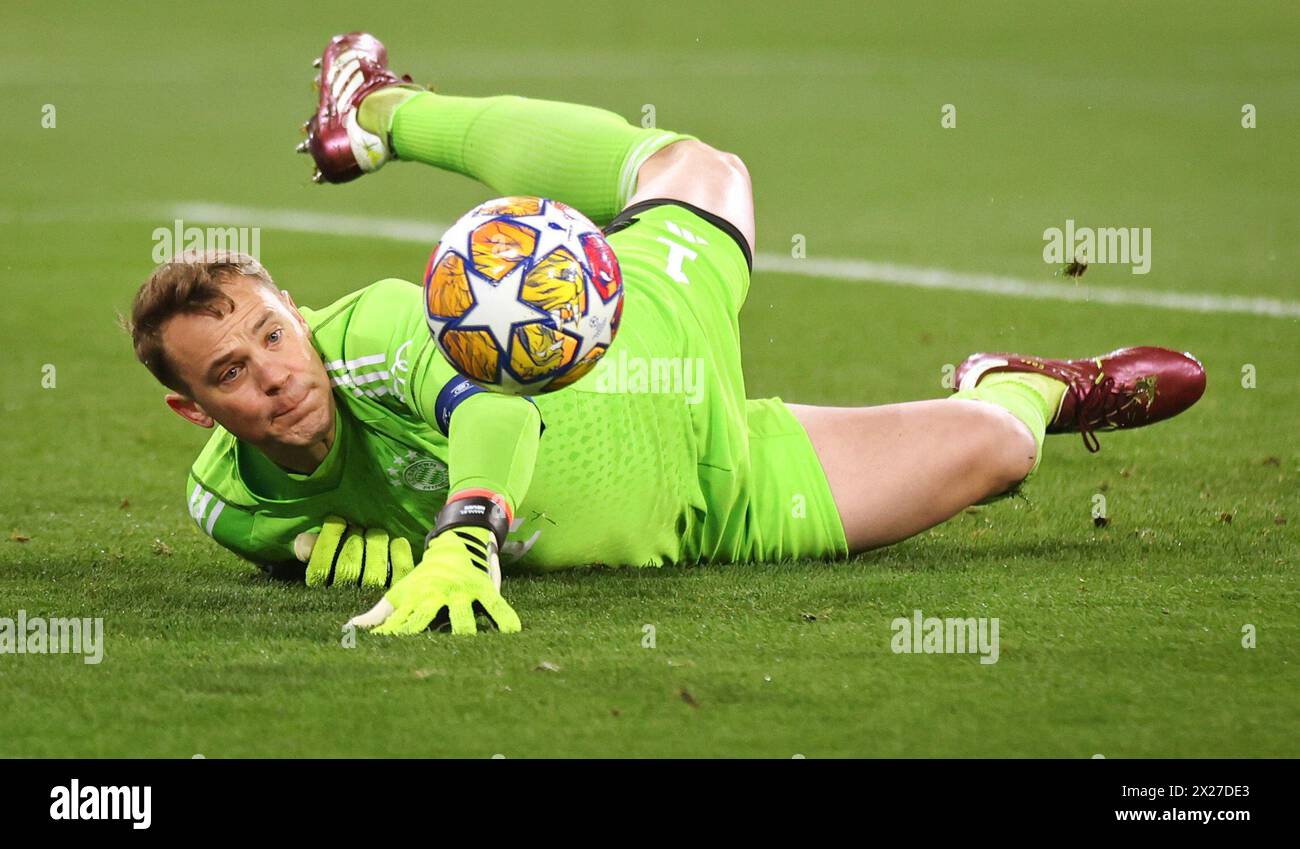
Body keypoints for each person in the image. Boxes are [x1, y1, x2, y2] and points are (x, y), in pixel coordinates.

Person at [127, 33, 1206, 637]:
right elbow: (265, 527)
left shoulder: (367, 328)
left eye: (275, 333)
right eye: (233, 369)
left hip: (638, 334)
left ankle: (381, 113)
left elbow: (484, 403)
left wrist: (463, 535)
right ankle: (1030, 383)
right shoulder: (228, 504)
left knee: (701, 173)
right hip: (712, 495)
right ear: (192, 408)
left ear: (295, 312)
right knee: (1000, 447)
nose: (277, 371)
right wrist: (301, 546)